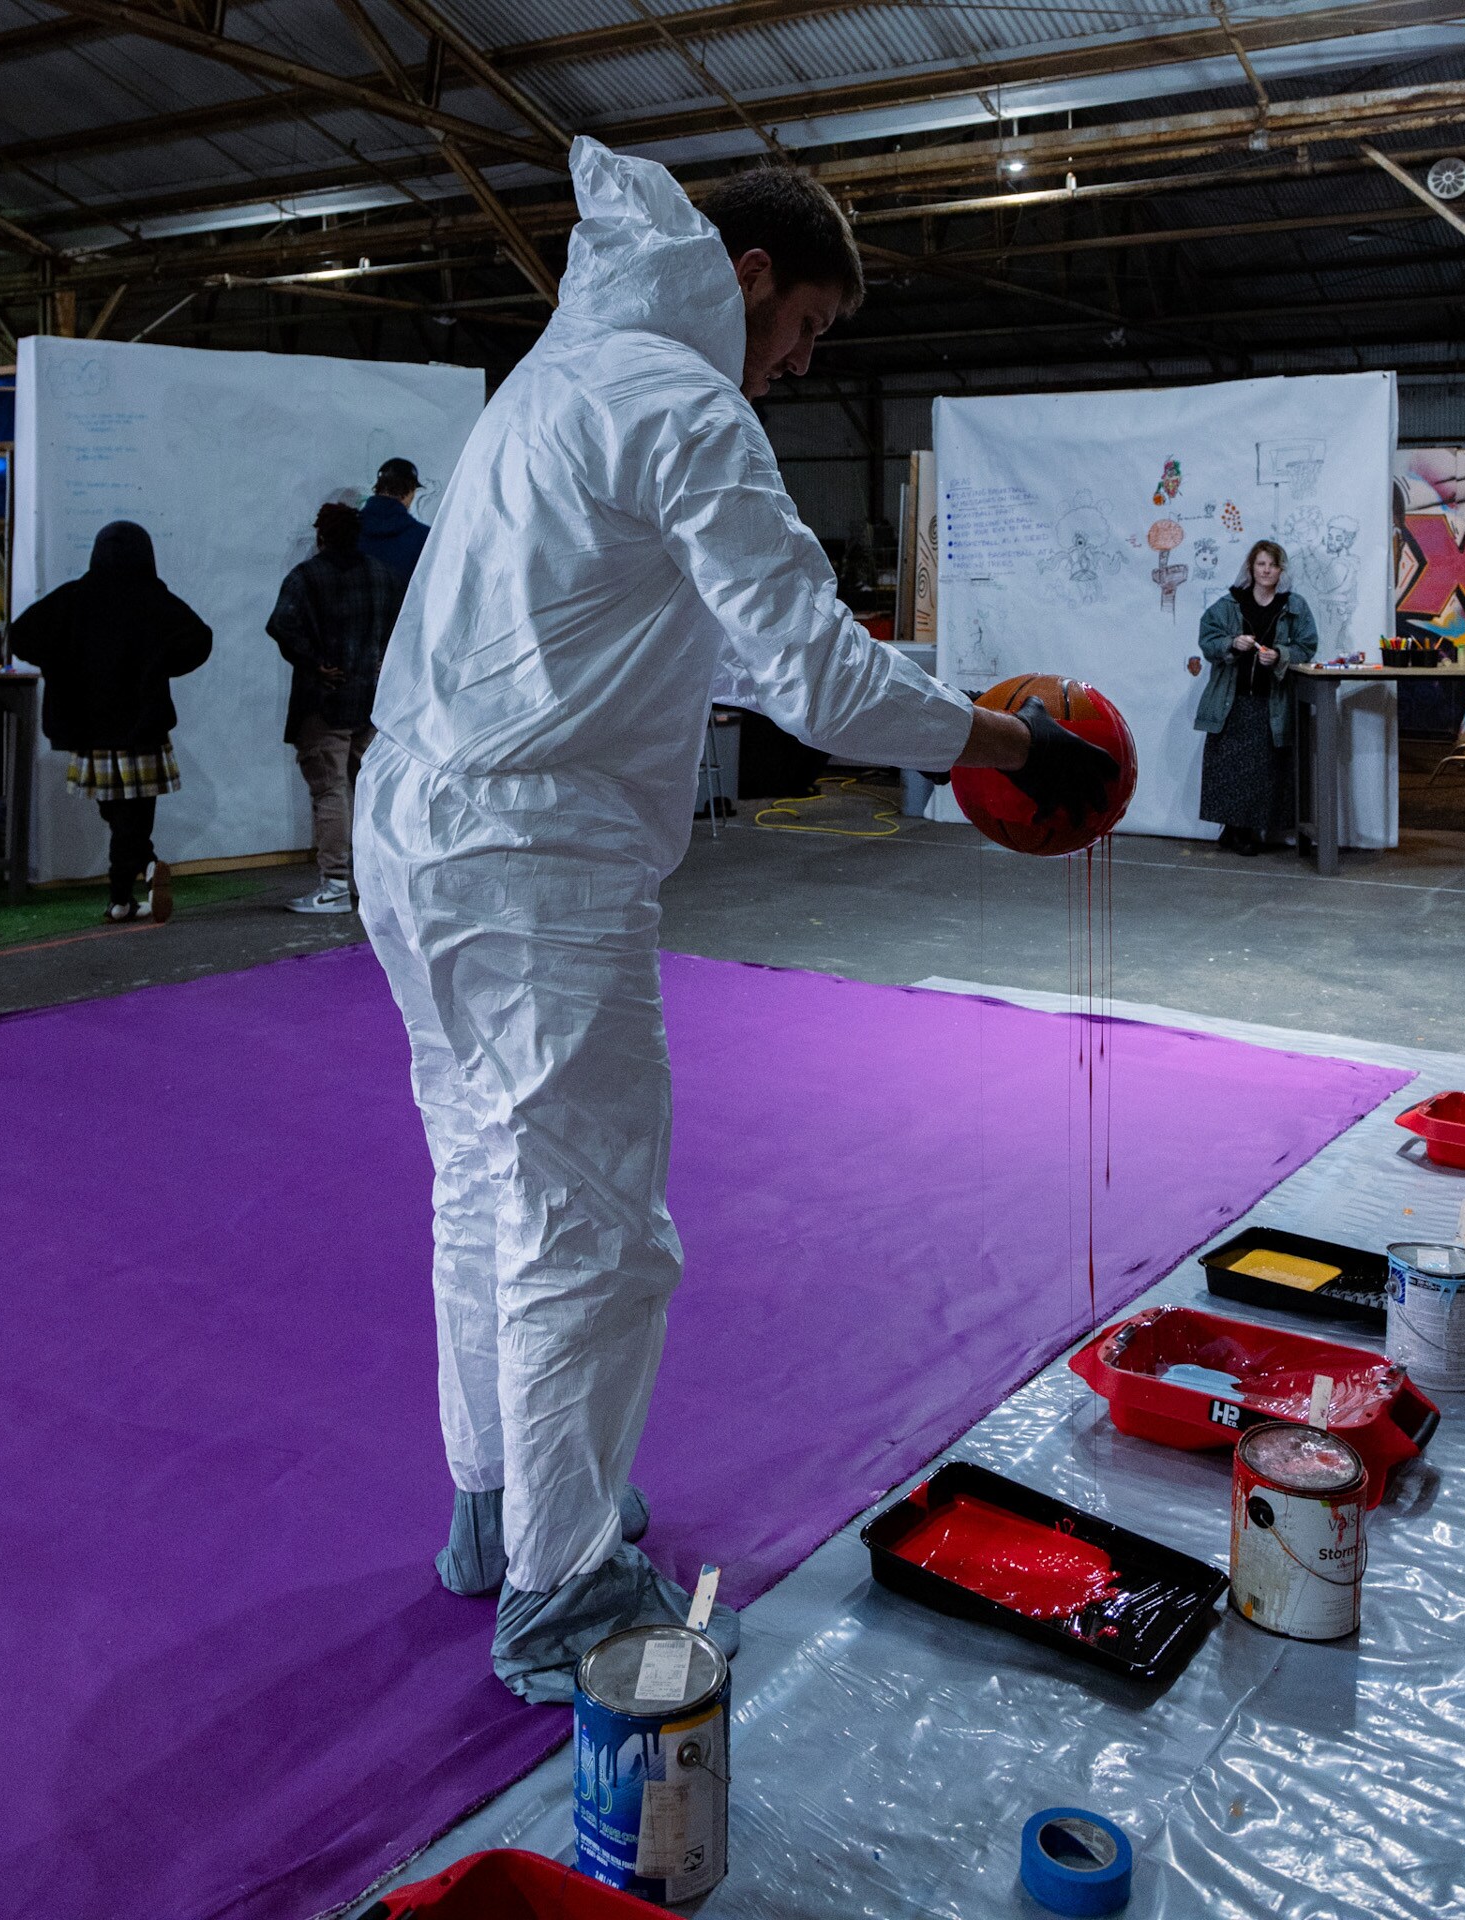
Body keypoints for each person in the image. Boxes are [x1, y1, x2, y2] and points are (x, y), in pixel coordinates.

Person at [352, 138, 1117, 1704]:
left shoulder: (553, 383)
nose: (796, 366)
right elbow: (822, 682)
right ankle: (567, 1593)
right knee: (596, 1226)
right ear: (749, 277)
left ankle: (503, 1511)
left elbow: (723, 658)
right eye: (806, 332)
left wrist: (938, 707)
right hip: (532, 860)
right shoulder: (681, 401)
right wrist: (1020, 745)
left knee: (484, 1184)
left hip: (418, 835)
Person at [10, 521, 211, 921]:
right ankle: (141, 874)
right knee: (136, 815)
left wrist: (63, 663)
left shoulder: (74, 597)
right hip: (142, 727)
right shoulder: (153, 597)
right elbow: (199, 639)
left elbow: (21, 636)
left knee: (115, 812)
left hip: (90, 729)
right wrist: (158, 665)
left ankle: (122, 900)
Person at [266, 502, 400, 913]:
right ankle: (370, 882)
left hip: (323, 701)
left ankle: (335, 885)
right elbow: (404, 625)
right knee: (365, 792)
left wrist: (314, 662)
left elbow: (281, 625)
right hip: (371, 702)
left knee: (330, 792)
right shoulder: (382, 575)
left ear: (321, 536)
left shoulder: (306, 577)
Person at [1194, 538, 1319, 854]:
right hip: (1231, 701)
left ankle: (1247, 831)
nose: (1266, 570)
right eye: (1261, 564)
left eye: (1273, 565)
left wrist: (1279, 655)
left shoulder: (1294, 606)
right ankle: (1235, 831)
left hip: (1272, 702)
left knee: (1265, 772)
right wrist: (1231, 644)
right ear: (1251, 567)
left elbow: (1308, 646)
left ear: (1281, 570)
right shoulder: (1229, 604)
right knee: (1230, 770)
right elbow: (1208, 641)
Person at [357, 458, 430, 589]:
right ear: (411, 490)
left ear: (378, 487)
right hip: (399, 608)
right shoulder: (422, 537)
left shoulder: (347, 530)